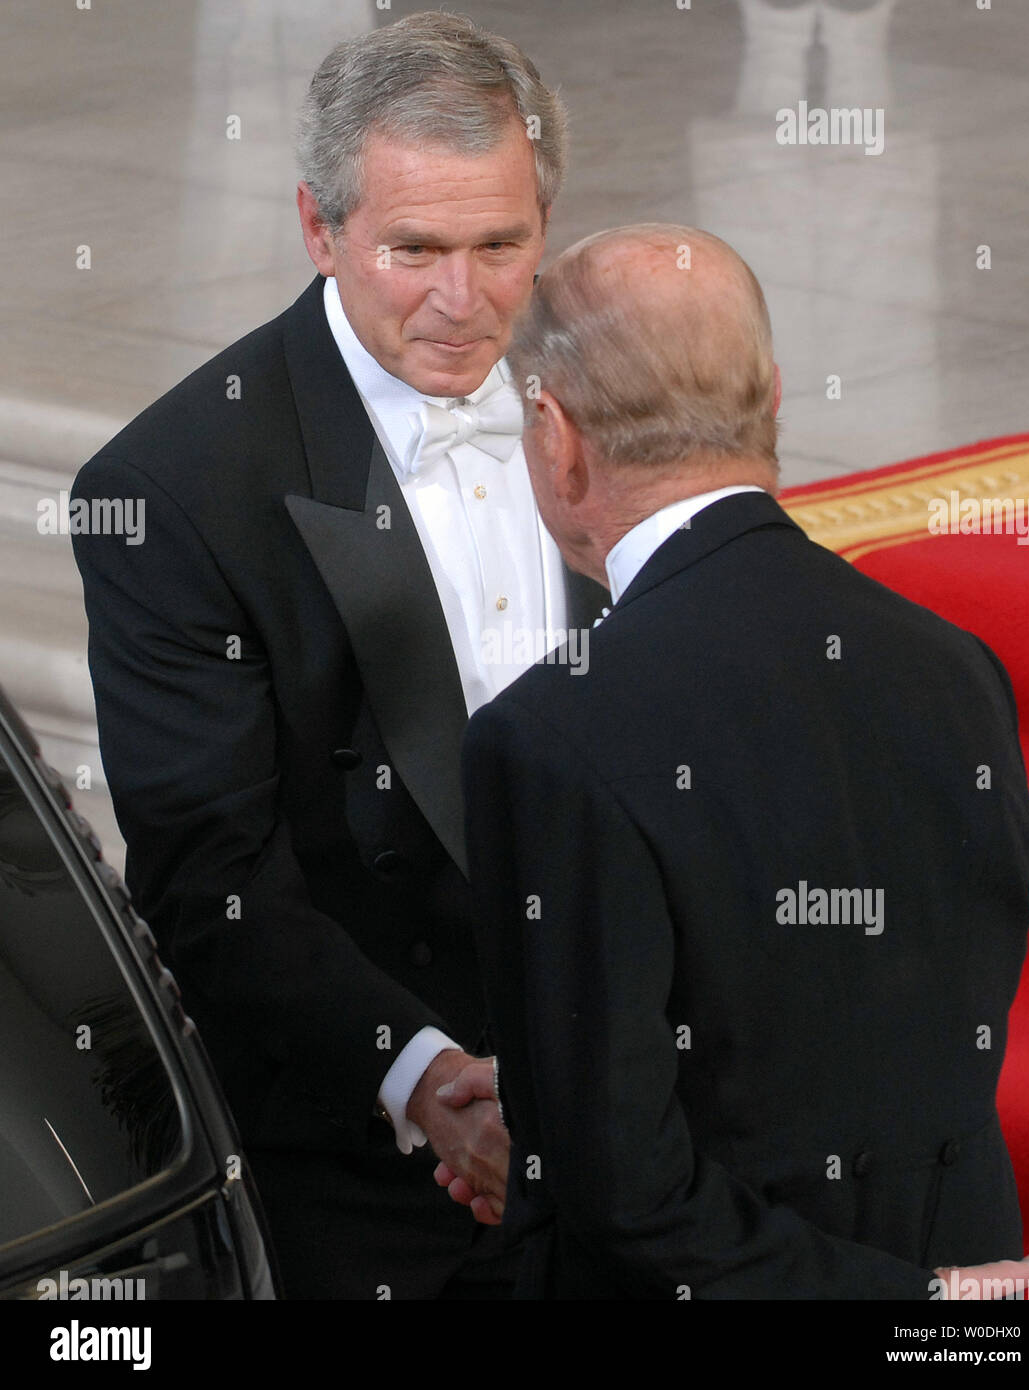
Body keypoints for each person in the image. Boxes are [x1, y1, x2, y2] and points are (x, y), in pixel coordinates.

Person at [70, 12, 605, 1300]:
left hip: (636, 1105)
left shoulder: (618, 391)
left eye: (500, 247)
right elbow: (214, 874)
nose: (462, 302)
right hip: (373, 1166)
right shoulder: (172, 487)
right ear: (318, 227)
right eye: (412, 249)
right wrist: (429, 1080)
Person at [456, 223, 1029, 1297]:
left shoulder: (548, 735)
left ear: (555, 433)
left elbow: (625, 1198)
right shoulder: (958, 669)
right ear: (772, 398)